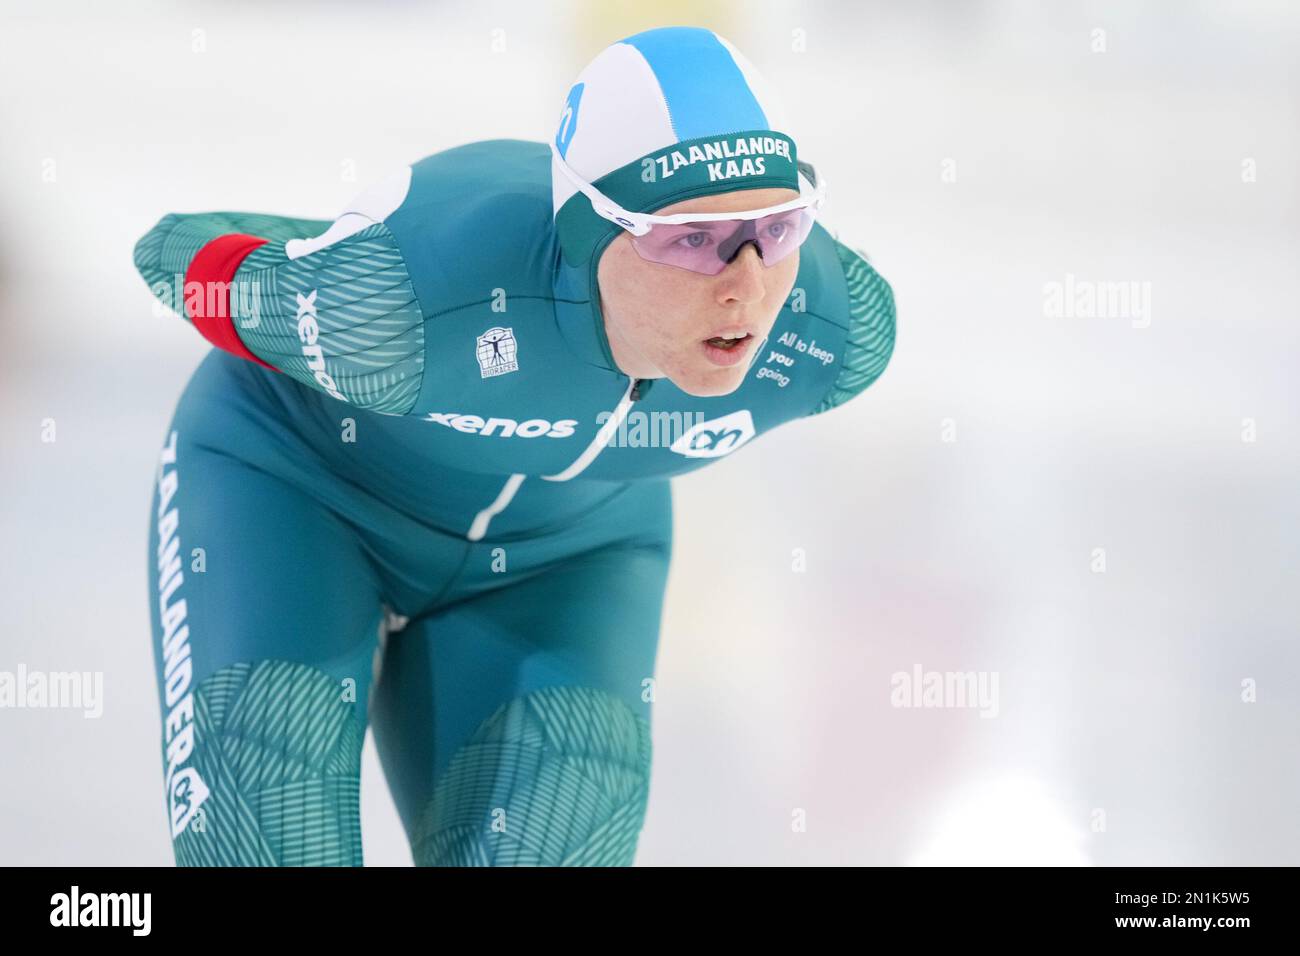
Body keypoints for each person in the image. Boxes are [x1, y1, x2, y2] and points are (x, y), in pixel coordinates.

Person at [137, 25, 896, 866]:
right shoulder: (402, 313)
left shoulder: (834, 334)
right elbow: (175, 252)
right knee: (269, 837)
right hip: (302, 490)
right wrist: (330, 272)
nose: (747, 286)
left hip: (565, 555)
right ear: (587, 230)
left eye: (779, 228)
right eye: (691, 239)